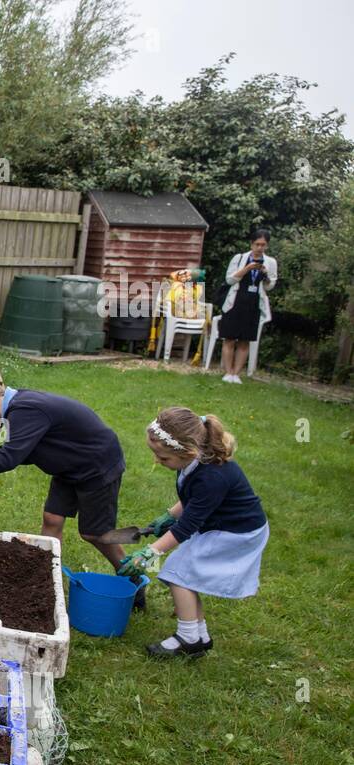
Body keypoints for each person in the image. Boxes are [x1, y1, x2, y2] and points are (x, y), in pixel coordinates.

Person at [118, 408, 269, 659]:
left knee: (178, 573)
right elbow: (192, 499)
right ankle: (200, 635)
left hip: (238, 532)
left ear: (188, 451)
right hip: (222, 526)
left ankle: (188, 639)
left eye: (163, 458)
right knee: (186, 573)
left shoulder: (212, 476)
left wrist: (150, 552)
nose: (157, 461)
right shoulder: (195, 461)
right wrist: (168, 515)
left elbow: (186, 527)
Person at [0, 376, 131, 580]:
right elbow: (17, 453)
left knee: (95, 533)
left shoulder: (25, 411)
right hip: (68, 466)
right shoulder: (14, 411)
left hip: (96, 466)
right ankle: (45, 574)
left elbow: (7, 459)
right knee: (52, 518)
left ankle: (130, 573)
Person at [218, 229, 277, 383]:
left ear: (267, 246)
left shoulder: (270, 262)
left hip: (253, 303)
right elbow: (230, 280)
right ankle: (228, 372)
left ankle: (236, 374)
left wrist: (265, 275)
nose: (260, 248)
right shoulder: (239, 258)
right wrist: (247, 269)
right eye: (257, 244)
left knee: (245, 340)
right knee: (229, 338)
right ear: (251, 244)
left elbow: (270, 286)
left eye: (263, 245)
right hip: (235, 301)